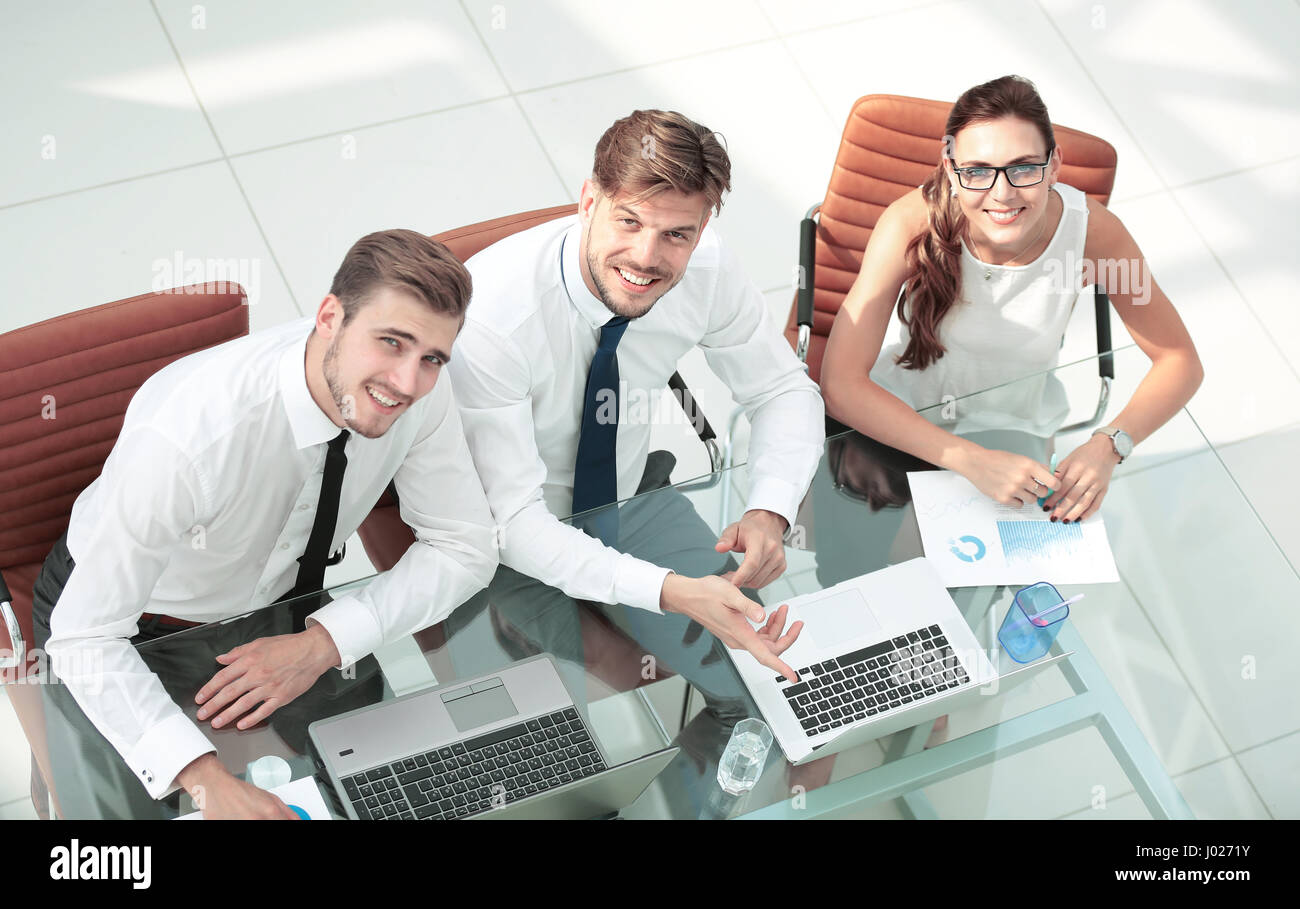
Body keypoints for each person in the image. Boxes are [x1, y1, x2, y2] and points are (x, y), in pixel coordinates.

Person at [35, 230, 498, 819]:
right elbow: (86, 635)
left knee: (378, 788)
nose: (407, 383)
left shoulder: (417, 393)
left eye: (432, 357)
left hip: (280, 607)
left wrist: (323, 642)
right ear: (329, 316)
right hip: (131, 622)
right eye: (391, 342)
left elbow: (465, 548)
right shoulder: (190, 439)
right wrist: (208, 783)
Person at [447, 109, 825, 694]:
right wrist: (673, 591)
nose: (647, 258)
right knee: (625, 692)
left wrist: (770, 507)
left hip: (630, 493)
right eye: (629, 222)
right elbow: (515, 524)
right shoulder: (495, 318)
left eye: (678, 234)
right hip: (509, 535)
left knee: (769, 687)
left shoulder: (707, 266)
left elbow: (782, 389)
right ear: (588, 200)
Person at [820, 75, 1203, 519]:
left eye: (1023, 168)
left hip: (1013, 431)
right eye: (978, 171)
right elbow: (841, 384)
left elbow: (1180, 361)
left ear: (1054, 164)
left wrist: (1110, 444)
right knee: (858, 572)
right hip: (899, 422)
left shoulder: (1095, 233)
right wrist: (967, 460)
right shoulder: (909, 222)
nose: (1002, 195)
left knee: (983, 584)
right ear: (950, 169)